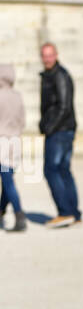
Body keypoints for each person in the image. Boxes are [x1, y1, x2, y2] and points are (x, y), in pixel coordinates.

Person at [39, 42, 81, 228]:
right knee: (64, 171)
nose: (47, 59)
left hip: (60, 131)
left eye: (50, 55)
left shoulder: (60, 76)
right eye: (44, 55)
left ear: (56, 55)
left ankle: (65, 212)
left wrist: (50, 127)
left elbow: (64, 106)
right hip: (63, 129)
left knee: (51, 170)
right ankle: (74, 213)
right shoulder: (50, 75)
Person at [0, 63, 27, 232]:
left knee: (8, 182)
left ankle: (19, 214)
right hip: (15, 142)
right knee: (6, 180)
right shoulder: (17, 96)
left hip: (2, 143)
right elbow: (23, 122)